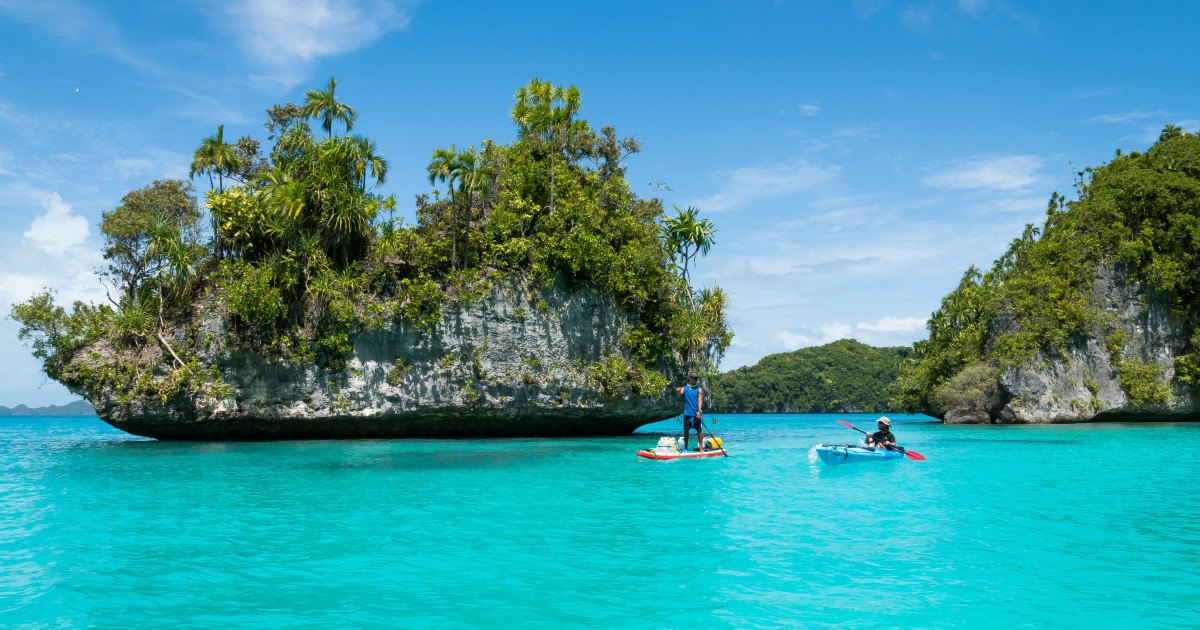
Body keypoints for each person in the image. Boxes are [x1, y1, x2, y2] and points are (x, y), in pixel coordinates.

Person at [675, 371, 705, 452]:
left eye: (696, 379)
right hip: (687, 413)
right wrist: (678, 390)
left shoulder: (699, 389)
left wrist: (699, 411)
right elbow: (679, 393)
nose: (695, 380)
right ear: (689, 379)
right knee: (686, 431)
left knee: (699, 430)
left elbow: (700, 401)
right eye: (694, 378)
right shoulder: (684, 388)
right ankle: (685, 448)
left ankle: (701, 448)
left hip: (696, 414)